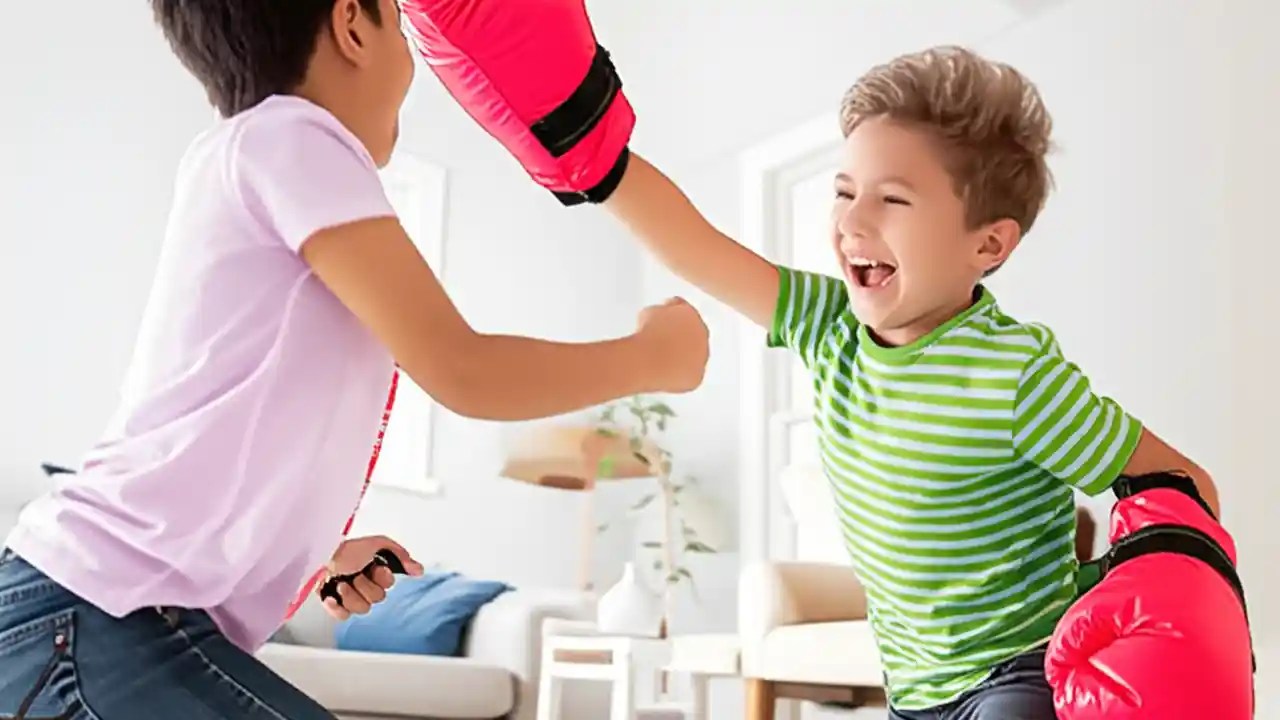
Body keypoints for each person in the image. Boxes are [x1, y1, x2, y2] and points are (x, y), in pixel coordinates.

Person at [0, 0, 707, 717]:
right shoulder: (292, 135)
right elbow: (463, 368)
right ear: (351, 25)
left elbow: (233, 423)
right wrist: (652, 357)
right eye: (400, 26)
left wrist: (319, 556)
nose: (411, 61)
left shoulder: (246, 153)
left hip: (80, 616)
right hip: (92, 616)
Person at [602, 47, 1220, 718]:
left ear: (988, 246)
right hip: (914, 688)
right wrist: (580, 143)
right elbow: (695, 245)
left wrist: (1136, 606)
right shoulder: (826, 326)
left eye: (892, 199)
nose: (852, 221)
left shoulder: (1015, 375)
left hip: (1025, 671)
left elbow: (1181, 484)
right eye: (843, 192)